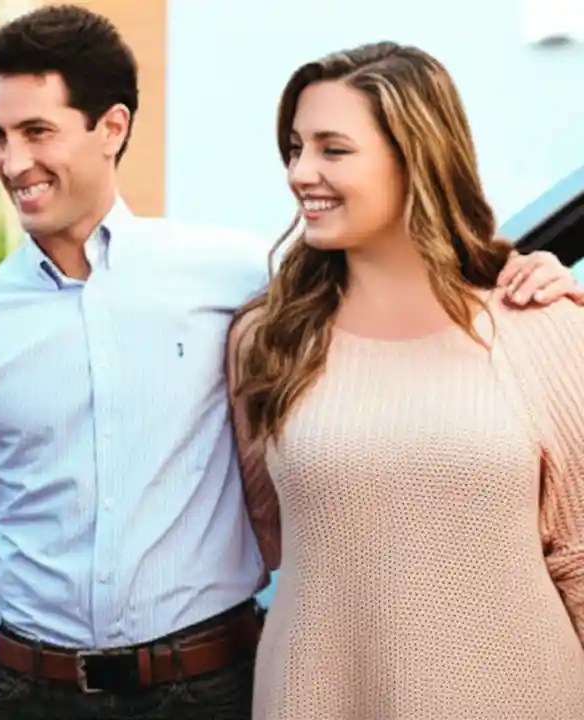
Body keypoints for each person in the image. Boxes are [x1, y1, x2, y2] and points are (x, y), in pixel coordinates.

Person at [0, 7, 582, 720]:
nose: (13, 162)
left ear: (111, 128)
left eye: (37, 131)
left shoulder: (235, 281)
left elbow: (426, 279)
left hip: (208, 688)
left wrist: (525, 274)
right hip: (41, 693)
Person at [227, 41, 584, 719]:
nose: (301, 171)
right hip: (319, 698)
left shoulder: (542, 326)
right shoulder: (270, 341)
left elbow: (580, 554)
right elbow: (269, 530)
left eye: (333, 149)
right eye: (295, 147)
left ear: (416, 155)